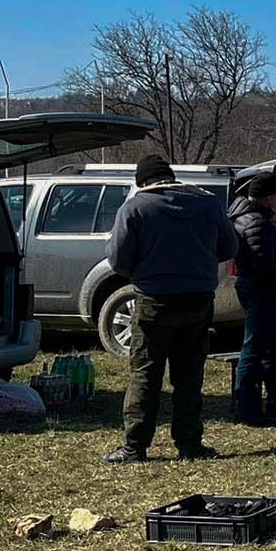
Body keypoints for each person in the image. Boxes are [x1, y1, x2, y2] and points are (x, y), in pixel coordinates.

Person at [101, 156, 239, 464]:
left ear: (143, 181)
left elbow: (118, 260)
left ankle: (135, 447)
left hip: (154, 301)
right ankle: (189, 443)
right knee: (189, 375)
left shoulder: (135, 208)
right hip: (198, 299)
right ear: (171, 177)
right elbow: (229, 248)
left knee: (146, 374)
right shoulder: (208, 205)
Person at [230, 174, 276, 427]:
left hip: (262, 290)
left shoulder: (252, 218)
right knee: (253, 350)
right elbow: (263, 261)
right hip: (263, 291)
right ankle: (247, 408)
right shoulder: (255, 222)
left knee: (270, 349)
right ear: (267, 196)